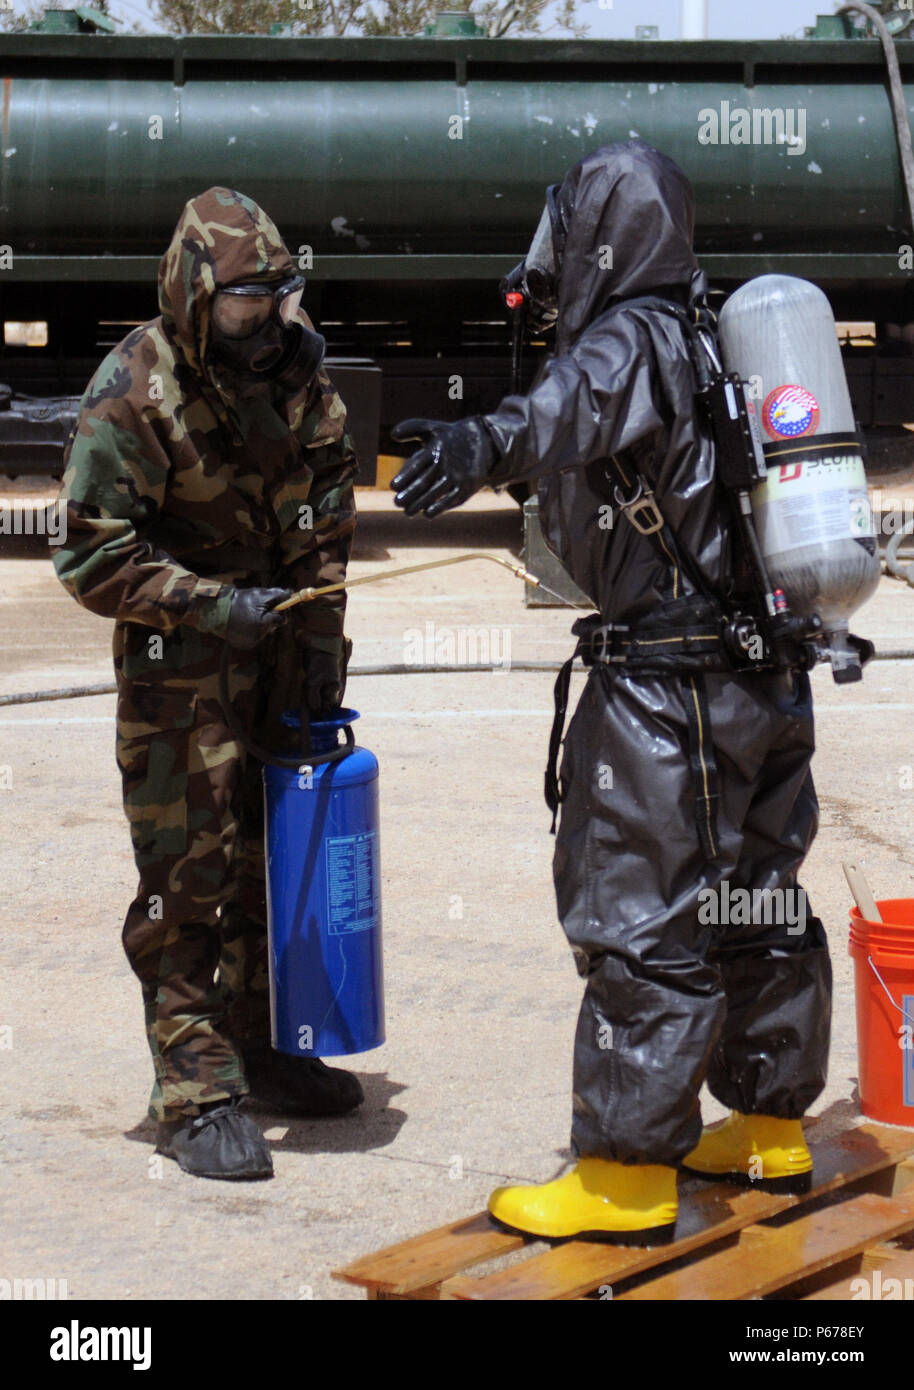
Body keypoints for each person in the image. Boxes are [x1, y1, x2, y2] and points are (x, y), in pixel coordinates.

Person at [390, 142, 830, 1244]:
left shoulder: (628, 336)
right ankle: (769, 1128)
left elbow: (565, 408)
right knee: (755, 896)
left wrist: (476, 438)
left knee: (635, 914)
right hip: (759, 673)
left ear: (597, 234)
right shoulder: (708, 333)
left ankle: (625, 1174)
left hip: (665, 686)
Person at [52, 187, 363, 1181]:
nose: (262, 320)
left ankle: (265, 1044)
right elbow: (89, 557)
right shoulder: (135, 386)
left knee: (281, 853)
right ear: (193, 294)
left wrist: (320, 655)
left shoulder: (303, 377)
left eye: (276, 298)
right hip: (177, 667)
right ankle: (194, 1092)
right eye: (240, 304)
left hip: (277, 650)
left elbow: (326, 530)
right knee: (186, 877)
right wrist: (201, 602)